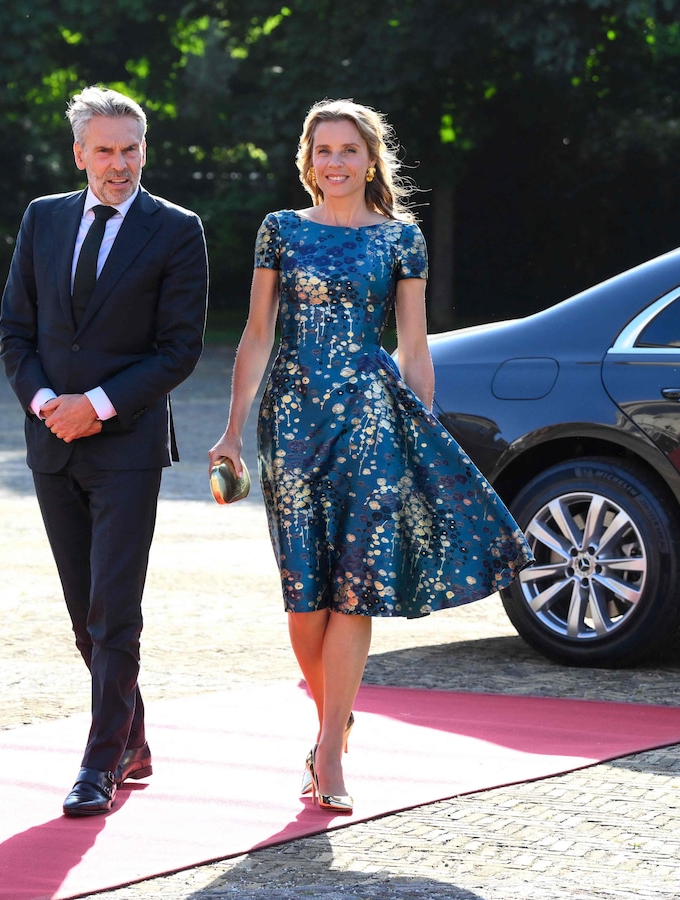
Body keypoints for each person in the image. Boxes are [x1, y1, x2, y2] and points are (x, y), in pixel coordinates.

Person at [208, 99, 533, 812]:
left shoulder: (400, 239)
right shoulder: (280, 232)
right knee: (304, 597)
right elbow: (257, 335)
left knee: (355, 587)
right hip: (289, 425)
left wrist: (424, 431)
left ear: (370, 159)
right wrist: (232, 430)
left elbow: (414, 347)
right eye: (323, 149)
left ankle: (327, 751)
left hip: (370, 422)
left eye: (348, 149)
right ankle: (339, 714)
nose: (335, 162)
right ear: (308, 160)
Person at [0, 86, 208, 815]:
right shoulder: (43, 219)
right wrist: (47, 406)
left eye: (131, 149)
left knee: (114, 610)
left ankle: (100, 763)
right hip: (50, 440)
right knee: (81, 610)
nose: (120, 165)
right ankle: (135, 737)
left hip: (128, 446)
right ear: (80, 154)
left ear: (144, 150)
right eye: (106, 150)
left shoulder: (177, 230)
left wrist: (98, 405)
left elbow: (180, 350)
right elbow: (15, 334)